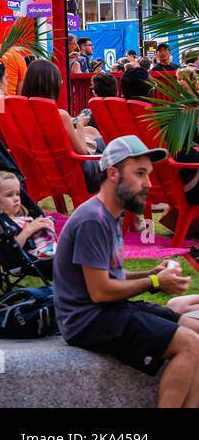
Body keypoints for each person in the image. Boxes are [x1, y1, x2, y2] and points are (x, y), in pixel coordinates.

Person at [53, 135, 199, 407]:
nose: (148, 184)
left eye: (149, 175)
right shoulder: (92, 220)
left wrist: (150, 273)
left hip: (105, 311)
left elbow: (109, 278)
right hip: (88, 321)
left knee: (195, 331)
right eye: (140, 174)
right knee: (191, 345)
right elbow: (100, 292)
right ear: (113, 174)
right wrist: (155, 281)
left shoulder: (108, 215)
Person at [21, 59, 102, 155]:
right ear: (52, 86)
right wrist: (80, 123)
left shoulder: (21, 113)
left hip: (39, 161)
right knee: (106, 144)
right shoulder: (60, 115)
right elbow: (82, 151)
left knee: (92, 131)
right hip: (73, 165)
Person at [0, 171, 57, 260]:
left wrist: (45, 223)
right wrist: (29, 229)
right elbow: (12, 251)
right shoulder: (3, 225)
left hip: (51, 247)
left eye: (17, 194)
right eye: (9, 195)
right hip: (37, 254)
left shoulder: (20, 218)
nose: (16, 198)